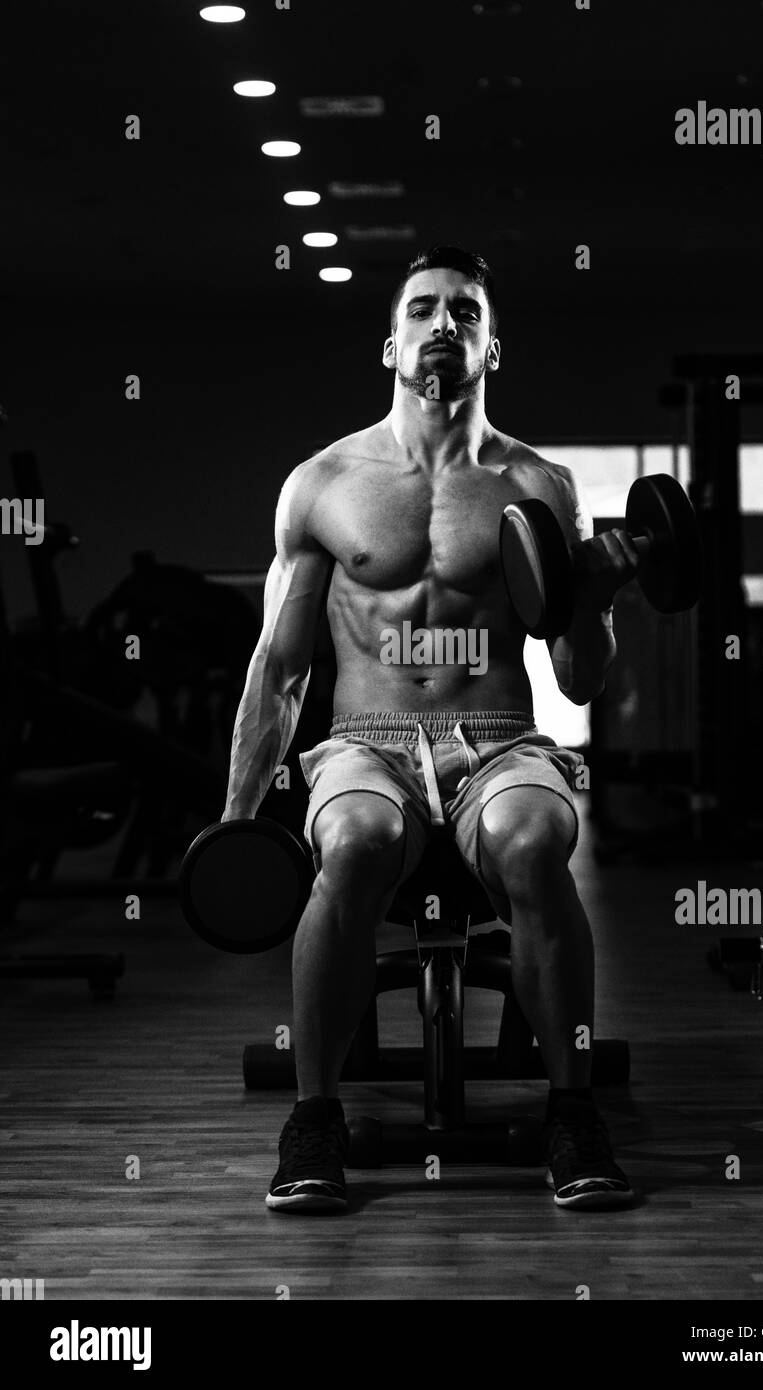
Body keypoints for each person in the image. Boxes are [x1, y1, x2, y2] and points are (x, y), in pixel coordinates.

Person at [223, 245, 640, 1213]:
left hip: (500, 737)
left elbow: (577, 680)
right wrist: (236, 823)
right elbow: (278, 671)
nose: (443, 324)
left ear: (494, 346)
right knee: (355, 840)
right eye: (423, 309)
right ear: (390, 343)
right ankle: (315, 1116)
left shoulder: (539, 485)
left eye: (464, 311)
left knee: (536, 840)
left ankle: (571, 1112)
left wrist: (598, 600)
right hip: (365, 738)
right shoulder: (320, 483)